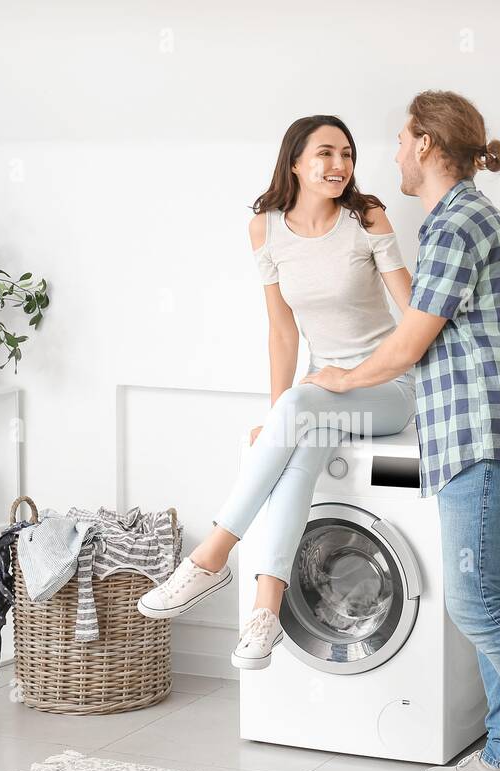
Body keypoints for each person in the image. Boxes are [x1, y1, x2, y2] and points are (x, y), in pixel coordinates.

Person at [299, 91, 500, 771]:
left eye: (401, 139)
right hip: (475, 433)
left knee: (474, 600)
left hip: (481, 435)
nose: (393, 153)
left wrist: (337, 377)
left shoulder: (458, 224)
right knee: (488, 596)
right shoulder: (458, 221)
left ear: (429, 143)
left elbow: (409, 341)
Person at [137, 115, 417, 671]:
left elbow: (414, 318)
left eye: (348, 155)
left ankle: (212, 555)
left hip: (388, 388)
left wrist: (327, 389)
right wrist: (280, 415)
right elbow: (282, 331)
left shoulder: (367, 219)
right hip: (319, 397)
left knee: (301, 411)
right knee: (301, 454)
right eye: (325, 154)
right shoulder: (265, 228)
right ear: (294, 161)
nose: (340, 166)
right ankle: (266, 614)